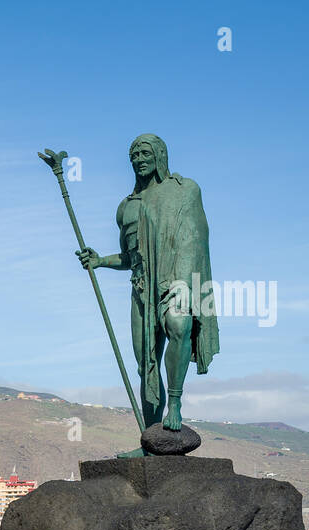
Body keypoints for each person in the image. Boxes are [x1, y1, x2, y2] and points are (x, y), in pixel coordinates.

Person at [75, 134, 219, 439]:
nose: (139, 159)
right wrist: (100, 261)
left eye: (144, 153)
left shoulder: (185, 191)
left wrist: (187, 283)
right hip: (141, 289)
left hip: (175, 280)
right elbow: (130, 257)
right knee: (146, 366)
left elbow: (196, 240)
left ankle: (175, 404)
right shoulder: (127, 206)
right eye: (134, 156)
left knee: (179, 324)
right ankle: (153, 437)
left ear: (159, 155)